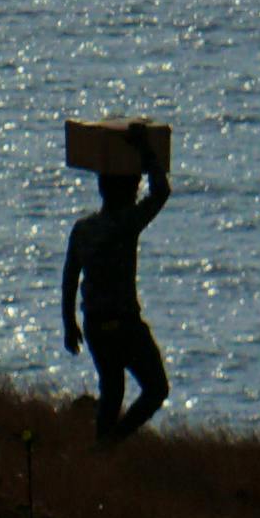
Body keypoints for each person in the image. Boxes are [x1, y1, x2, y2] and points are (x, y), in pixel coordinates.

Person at [61, 140, 173, 445]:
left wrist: (69, 323)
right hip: (124, 324)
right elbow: (161, 192)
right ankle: (112, 443)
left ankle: (104, 448)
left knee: (112, 393)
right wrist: (149, 154)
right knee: (156, 389)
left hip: (95, 325)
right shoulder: (126, 223)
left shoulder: (83, 229)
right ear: (127, 193)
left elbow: (70, 278)